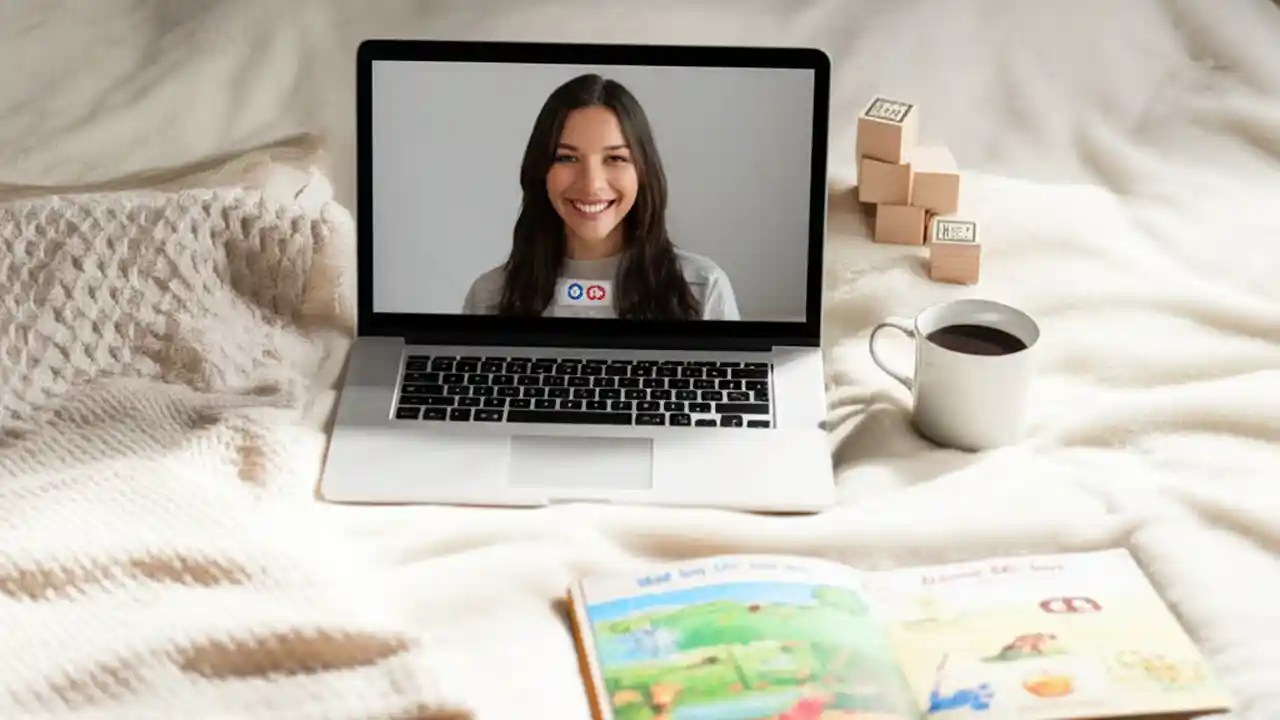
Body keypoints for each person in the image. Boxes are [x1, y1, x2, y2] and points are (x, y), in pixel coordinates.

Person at [462, 73, 739, 320]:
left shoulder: (701, 288)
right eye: (567, 158)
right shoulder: (490, 297)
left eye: (615, 158)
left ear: (643, 171)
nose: (591, 184)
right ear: (540, 170)